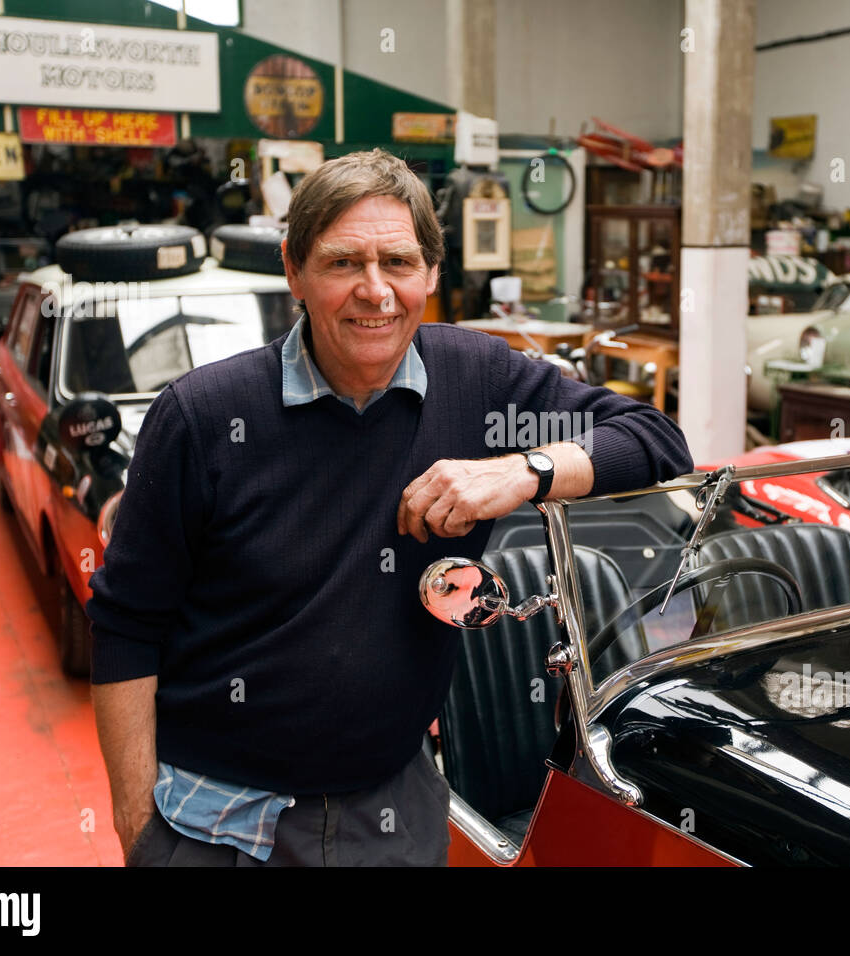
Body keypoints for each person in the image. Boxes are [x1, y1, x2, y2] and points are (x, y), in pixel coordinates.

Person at [86, 148, 693, 867]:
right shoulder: (204, 415)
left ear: (431, 274)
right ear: (295, 270)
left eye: (399, 263)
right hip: (220, 824)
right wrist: (140, 835)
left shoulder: (476, 376)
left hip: (394, 810)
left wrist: (522, 469)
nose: (375, 291)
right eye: (344, 263)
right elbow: (126, 624)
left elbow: (657, 440)